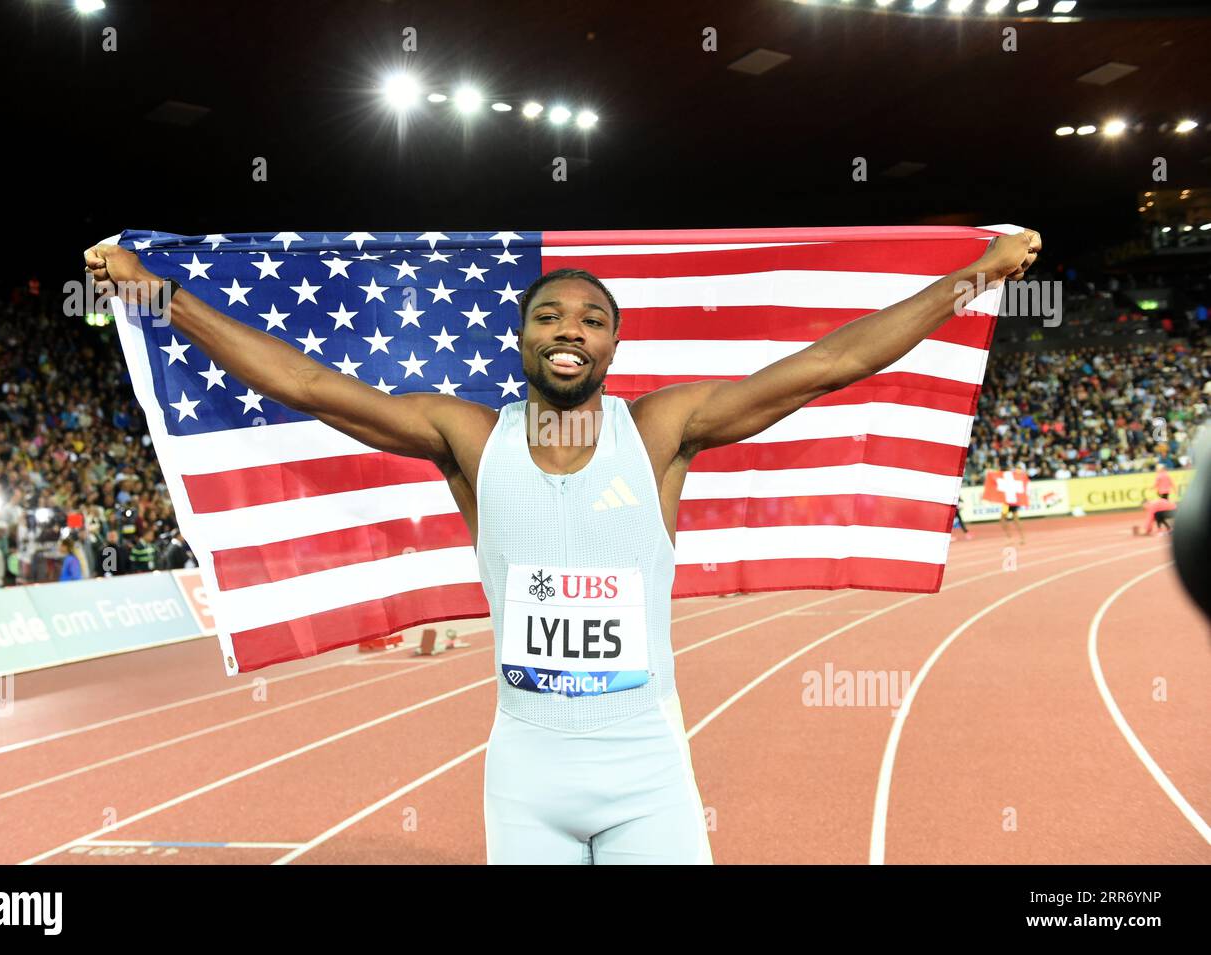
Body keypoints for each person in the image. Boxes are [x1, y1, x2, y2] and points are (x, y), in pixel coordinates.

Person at [85, 227, 1041, 865]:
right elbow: (312, 387)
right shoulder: (467, 438)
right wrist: (157, 294)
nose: (569, 330)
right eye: (549, 317)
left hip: (649, 776)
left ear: (615, 347)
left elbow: (831, 364)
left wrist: (975, 279)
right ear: (520, 338)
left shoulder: (664, 429)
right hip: (527, 774)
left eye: (591, 319)